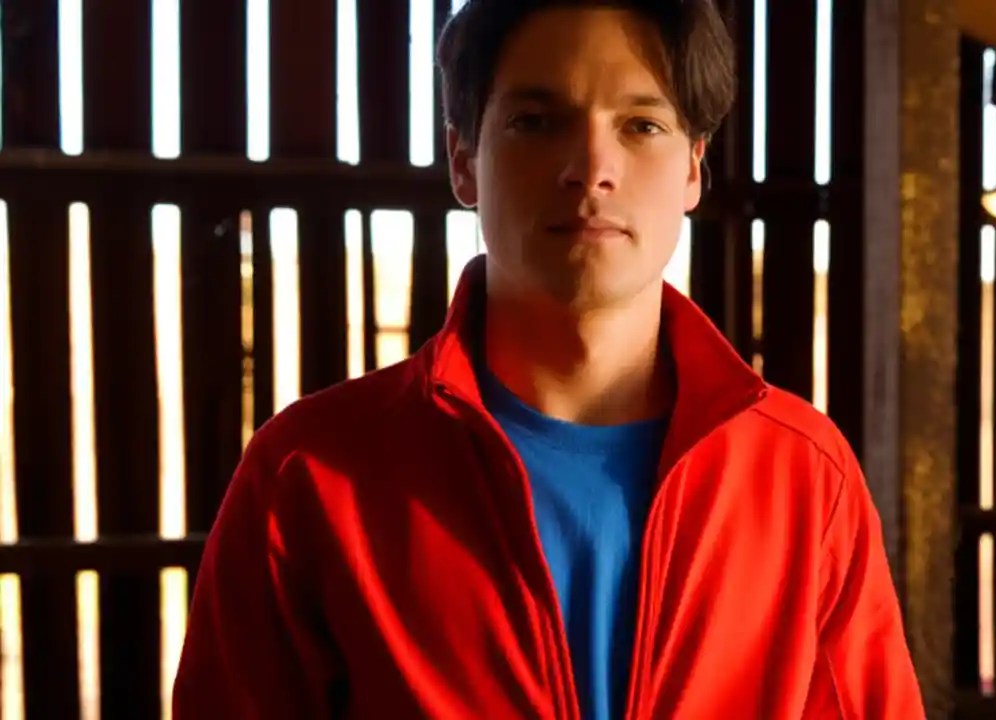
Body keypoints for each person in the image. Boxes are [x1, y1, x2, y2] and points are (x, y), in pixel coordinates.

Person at [173, 1, 924, 717]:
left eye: (640, 124)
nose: (591, 167)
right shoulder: (313, 472)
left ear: (694, 167)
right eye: (536, 122)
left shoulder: (800, 477)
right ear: (464, 161)